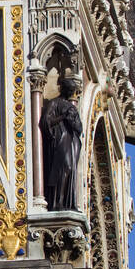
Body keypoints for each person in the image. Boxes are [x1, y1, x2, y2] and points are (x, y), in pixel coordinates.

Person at [41, 76, 83, 211]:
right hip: (60, 139)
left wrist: (72, 120)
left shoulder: (72, 107)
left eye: (73, 90)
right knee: (63, 168)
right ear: (63, 89)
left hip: (72, 141)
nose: (71, 92)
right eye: (69, 89)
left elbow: (79, 128)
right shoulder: (55, 103)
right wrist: (62, 117)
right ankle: (56, 202)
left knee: (71, 169)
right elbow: (46, 122)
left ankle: (68, 203)